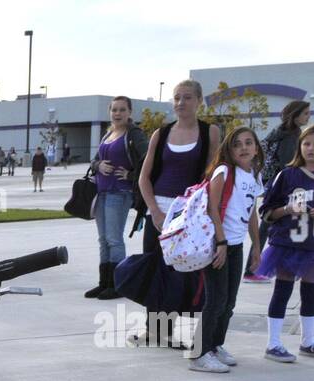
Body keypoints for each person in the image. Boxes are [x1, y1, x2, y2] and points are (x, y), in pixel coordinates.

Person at [136, 80, 220, 347]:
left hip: (188, 216)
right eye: (176, 98)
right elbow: (144, 178)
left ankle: (167, 331)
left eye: (187, 97)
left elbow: (212, 176)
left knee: (180, 273)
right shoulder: (160, 134)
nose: (181, 103)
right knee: (155, 271)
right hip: (158, 213)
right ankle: (153, 331)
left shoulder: (210, 132)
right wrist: (155, 212)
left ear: (199, 101)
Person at [255, 124, 314, 363]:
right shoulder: (287, 174)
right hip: (287, 242)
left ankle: (307, 342)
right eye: (306, 143)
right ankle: (273, 343)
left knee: (311, 292)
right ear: (300, 145)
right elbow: (266, 210)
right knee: (282, 290)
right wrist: (287, 209)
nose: (311, 148)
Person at [192, 127, 263, 373]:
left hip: (236, 246)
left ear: (256, 148)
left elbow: (252, 212)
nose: (243, 147)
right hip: (217, 244)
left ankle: (215, 346)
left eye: (248, 142)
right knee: (216, 300)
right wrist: (220, 243)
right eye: (237, 144)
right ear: (229, 150)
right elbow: (212, 208)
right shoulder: (223, 171)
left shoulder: (254, 175)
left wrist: (256, 245)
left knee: (229, 302)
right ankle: (199, 353)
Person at [87, 96, 148, 300]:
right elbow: (95, 160)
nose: (118, 113)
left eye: (122, 110)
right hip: (102, 192)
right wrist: (98, 166)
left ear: (130, 112)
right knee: (103, 240)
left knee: (114, 239)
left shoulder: (134, 134)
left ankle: (118, 284)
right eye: (114, 110)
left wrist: (131, 176)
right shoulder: (108, 134)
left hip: (119, 193)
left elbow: (148, 159)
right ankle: (104, 283)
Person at [250, 100, 311, 282]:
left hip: (275, 184)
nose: (308, 116)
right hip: (283, 186)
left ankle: (255, 268)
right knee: (271, 226)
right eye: (306, 113)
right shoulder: (290, 136)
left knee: (271, 227)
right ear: (296, 115)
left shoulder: (282, 132)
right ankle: (253, 269)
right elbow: (287, 164)